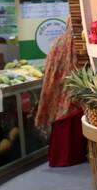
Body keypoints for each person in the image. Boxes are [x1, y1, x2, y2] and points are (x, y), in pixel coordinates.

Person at [34, 19, 86, 166]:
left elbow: (50, 66)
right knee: (72, 122)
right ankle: (73, 156)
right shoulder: (78, 43)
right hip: (74, 89)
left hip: (58, 88)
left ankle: (58, 157)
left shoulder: (58, 41)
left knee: (61, 121)